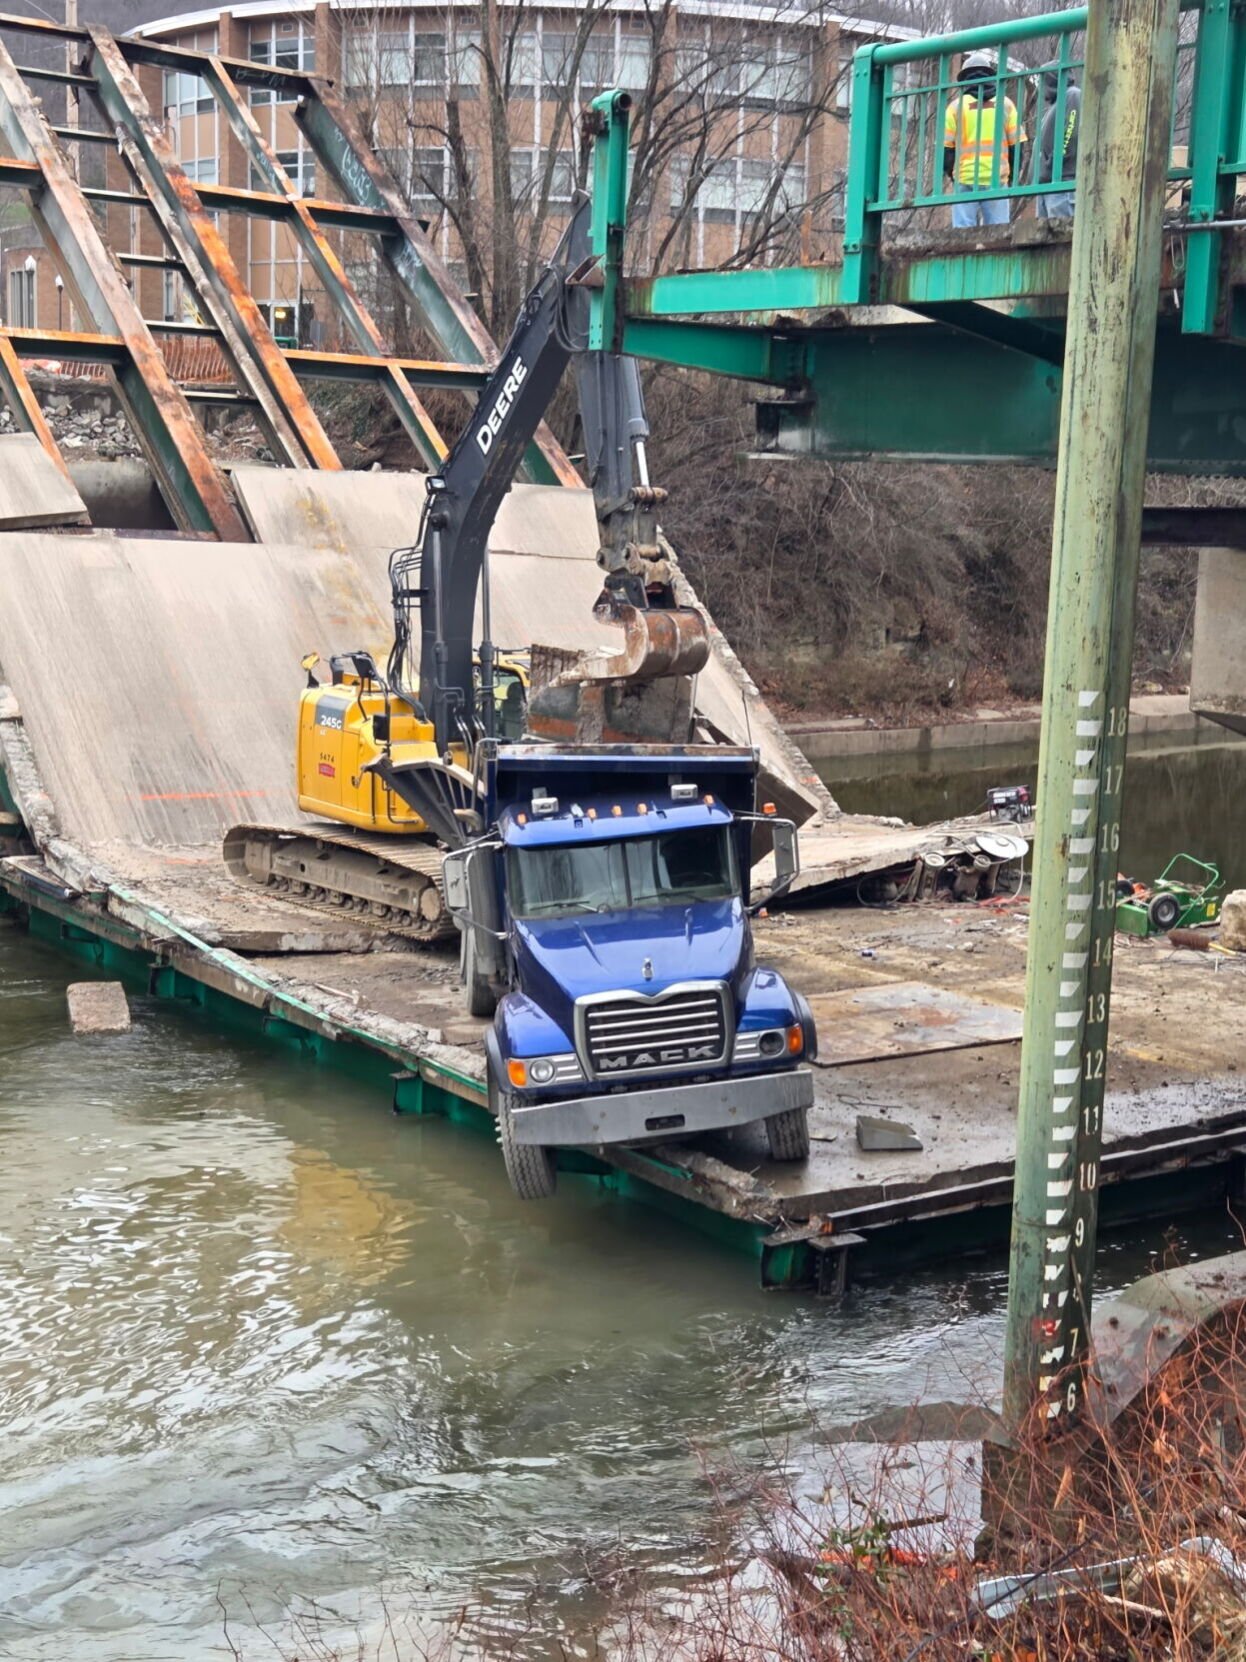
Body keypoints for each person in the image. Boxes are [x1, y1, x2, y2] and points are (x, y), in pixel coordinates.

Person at [943, 50, 1026, 229]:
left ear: (965, 80)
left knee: (962, 236)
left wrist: (953, 174)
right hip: (996, 178)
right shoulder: (1006, 105)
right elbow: (1017, 146)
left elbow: (947, 150)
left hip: (965, 177)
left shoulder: (955, 108)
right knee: (998, 234)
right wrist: (1010, 175)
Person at [1032, 65, 1080, 220]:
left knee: (1064, 240)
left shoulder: (1072, 95)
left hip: (1062, 184)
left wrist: (1055, 160)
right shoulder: (1054, 106)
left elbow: (1071, 133)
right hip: (1047, 187)